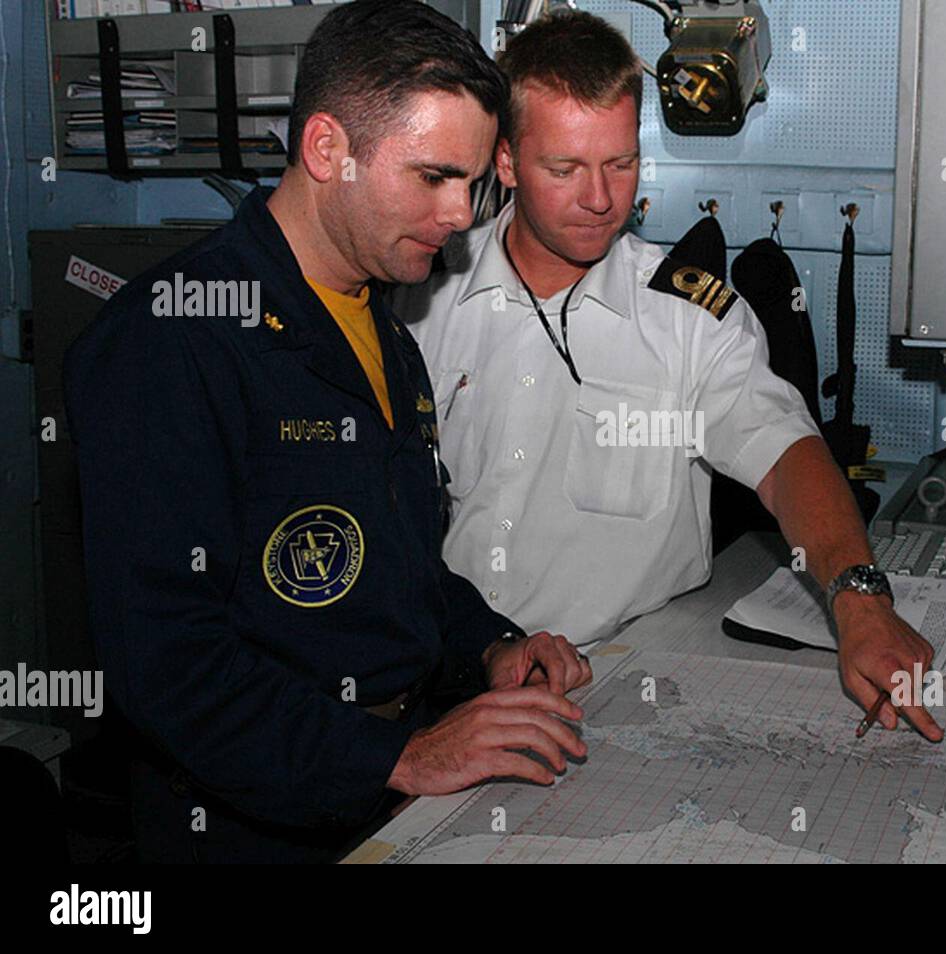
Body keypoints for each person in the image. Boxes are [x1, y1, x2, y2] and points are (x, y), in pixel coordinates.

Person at [65, 0, 589, 864]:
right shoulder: (169, 342)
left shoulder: (383, 330)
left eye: (473, 184)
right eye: (433, 177)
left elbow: (402, 572)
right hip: (246, 827)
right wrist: (397, 756)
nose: (462, 214)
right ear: (325, 150)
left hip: (386, 799)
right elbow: (167, 665)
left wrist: (491, 647)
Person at [394, 12, 944, 743]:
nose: (600, 198)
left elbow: (786, 457)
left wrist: (859, 598)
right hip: (454, 684)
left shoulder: (689, 314)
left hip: (627, 686)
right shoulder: (416, 302)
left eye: (621, 164)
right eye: (564, 169)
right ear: (503, 161)